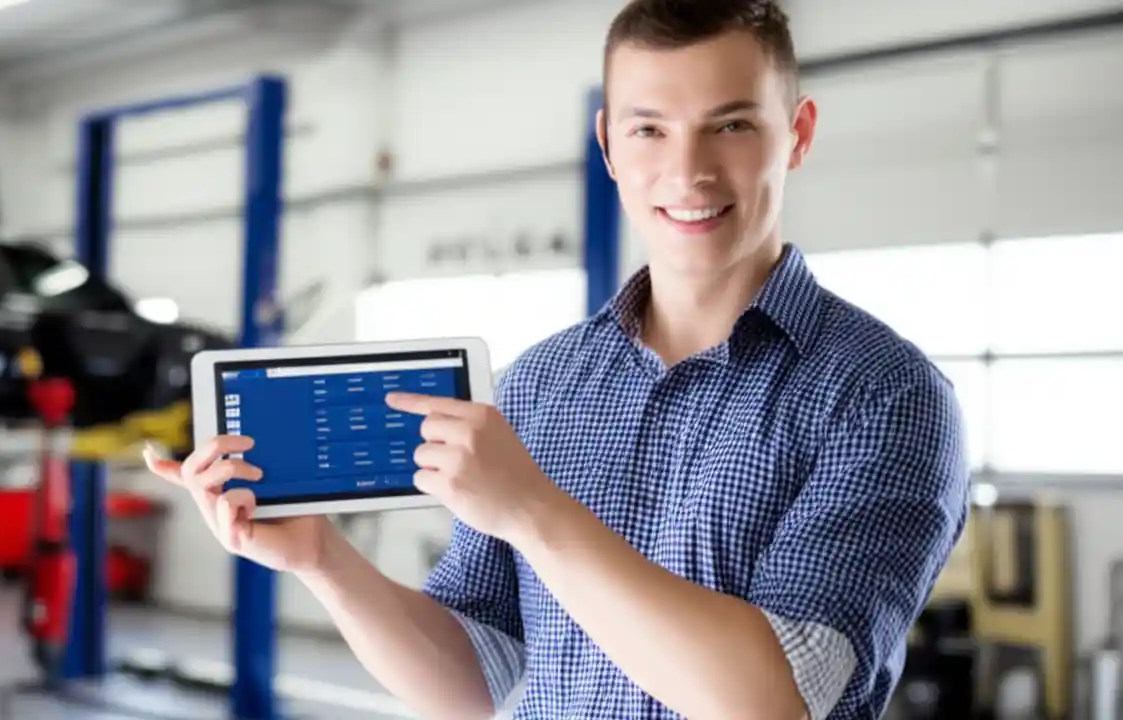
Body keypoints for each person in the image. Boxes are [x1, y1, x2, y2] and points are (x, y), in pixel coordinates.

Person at [145, 0, 970, 717]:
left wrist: (532, 510)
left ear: (797, 134)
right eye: (650, 129)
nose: (687, 171)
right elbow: (474, 681)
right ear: (609, 144)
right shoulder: (545, 381)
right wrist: (323, 560)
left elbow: (770, 701)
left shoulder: (883, 396)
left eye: (732, 124)